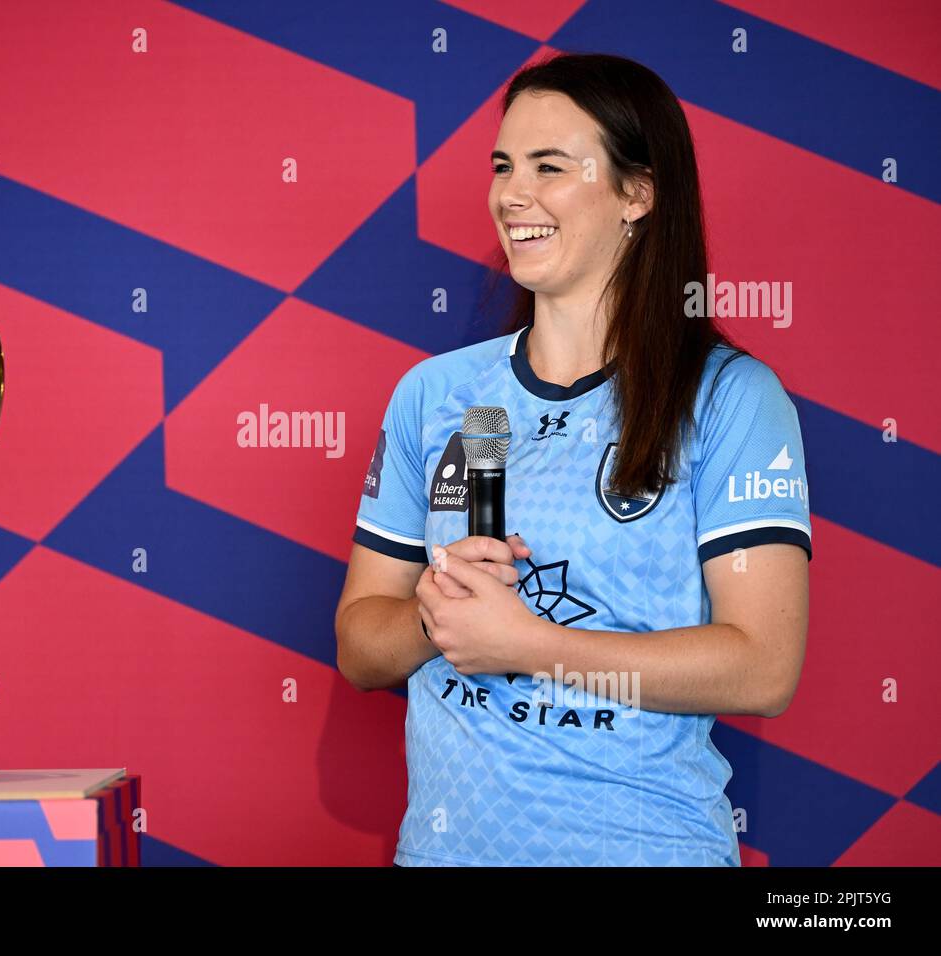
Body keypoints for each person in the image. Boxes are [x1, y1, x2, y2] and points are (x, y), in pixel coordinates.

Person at [335, 52, 811, 867]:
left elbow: (762, 666)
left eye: (550, 167)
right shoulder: (440, 393)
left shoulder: (731, 398)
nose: (511, 194)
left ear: (638, 192)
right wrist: (437, 612)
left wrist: (524, 643)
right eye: (503, 166)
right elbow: (359, 645)